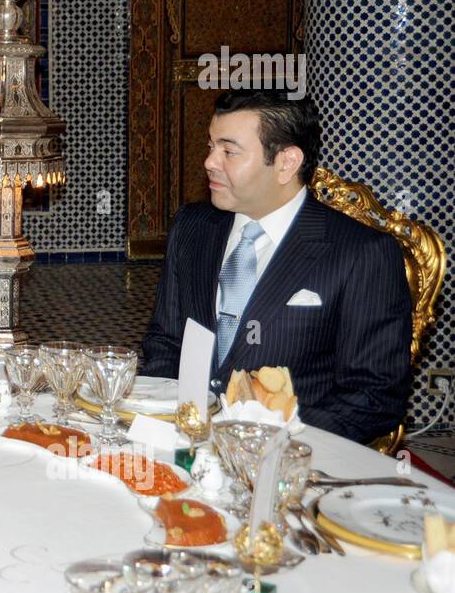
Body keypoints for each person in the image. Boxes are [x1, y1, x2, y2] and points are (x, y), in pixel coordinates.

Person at [142, 90, 412, 443]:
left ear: (286, 162)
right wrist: (175, 416)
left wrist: (265, 437)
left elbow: (374, 397)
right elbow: (166, 340)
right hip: (184, 443)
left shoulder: (362, 253)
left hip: (294, 457)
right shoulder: (193, 227)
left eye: (228, 151)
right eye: (210, 146)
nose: (209, 161)